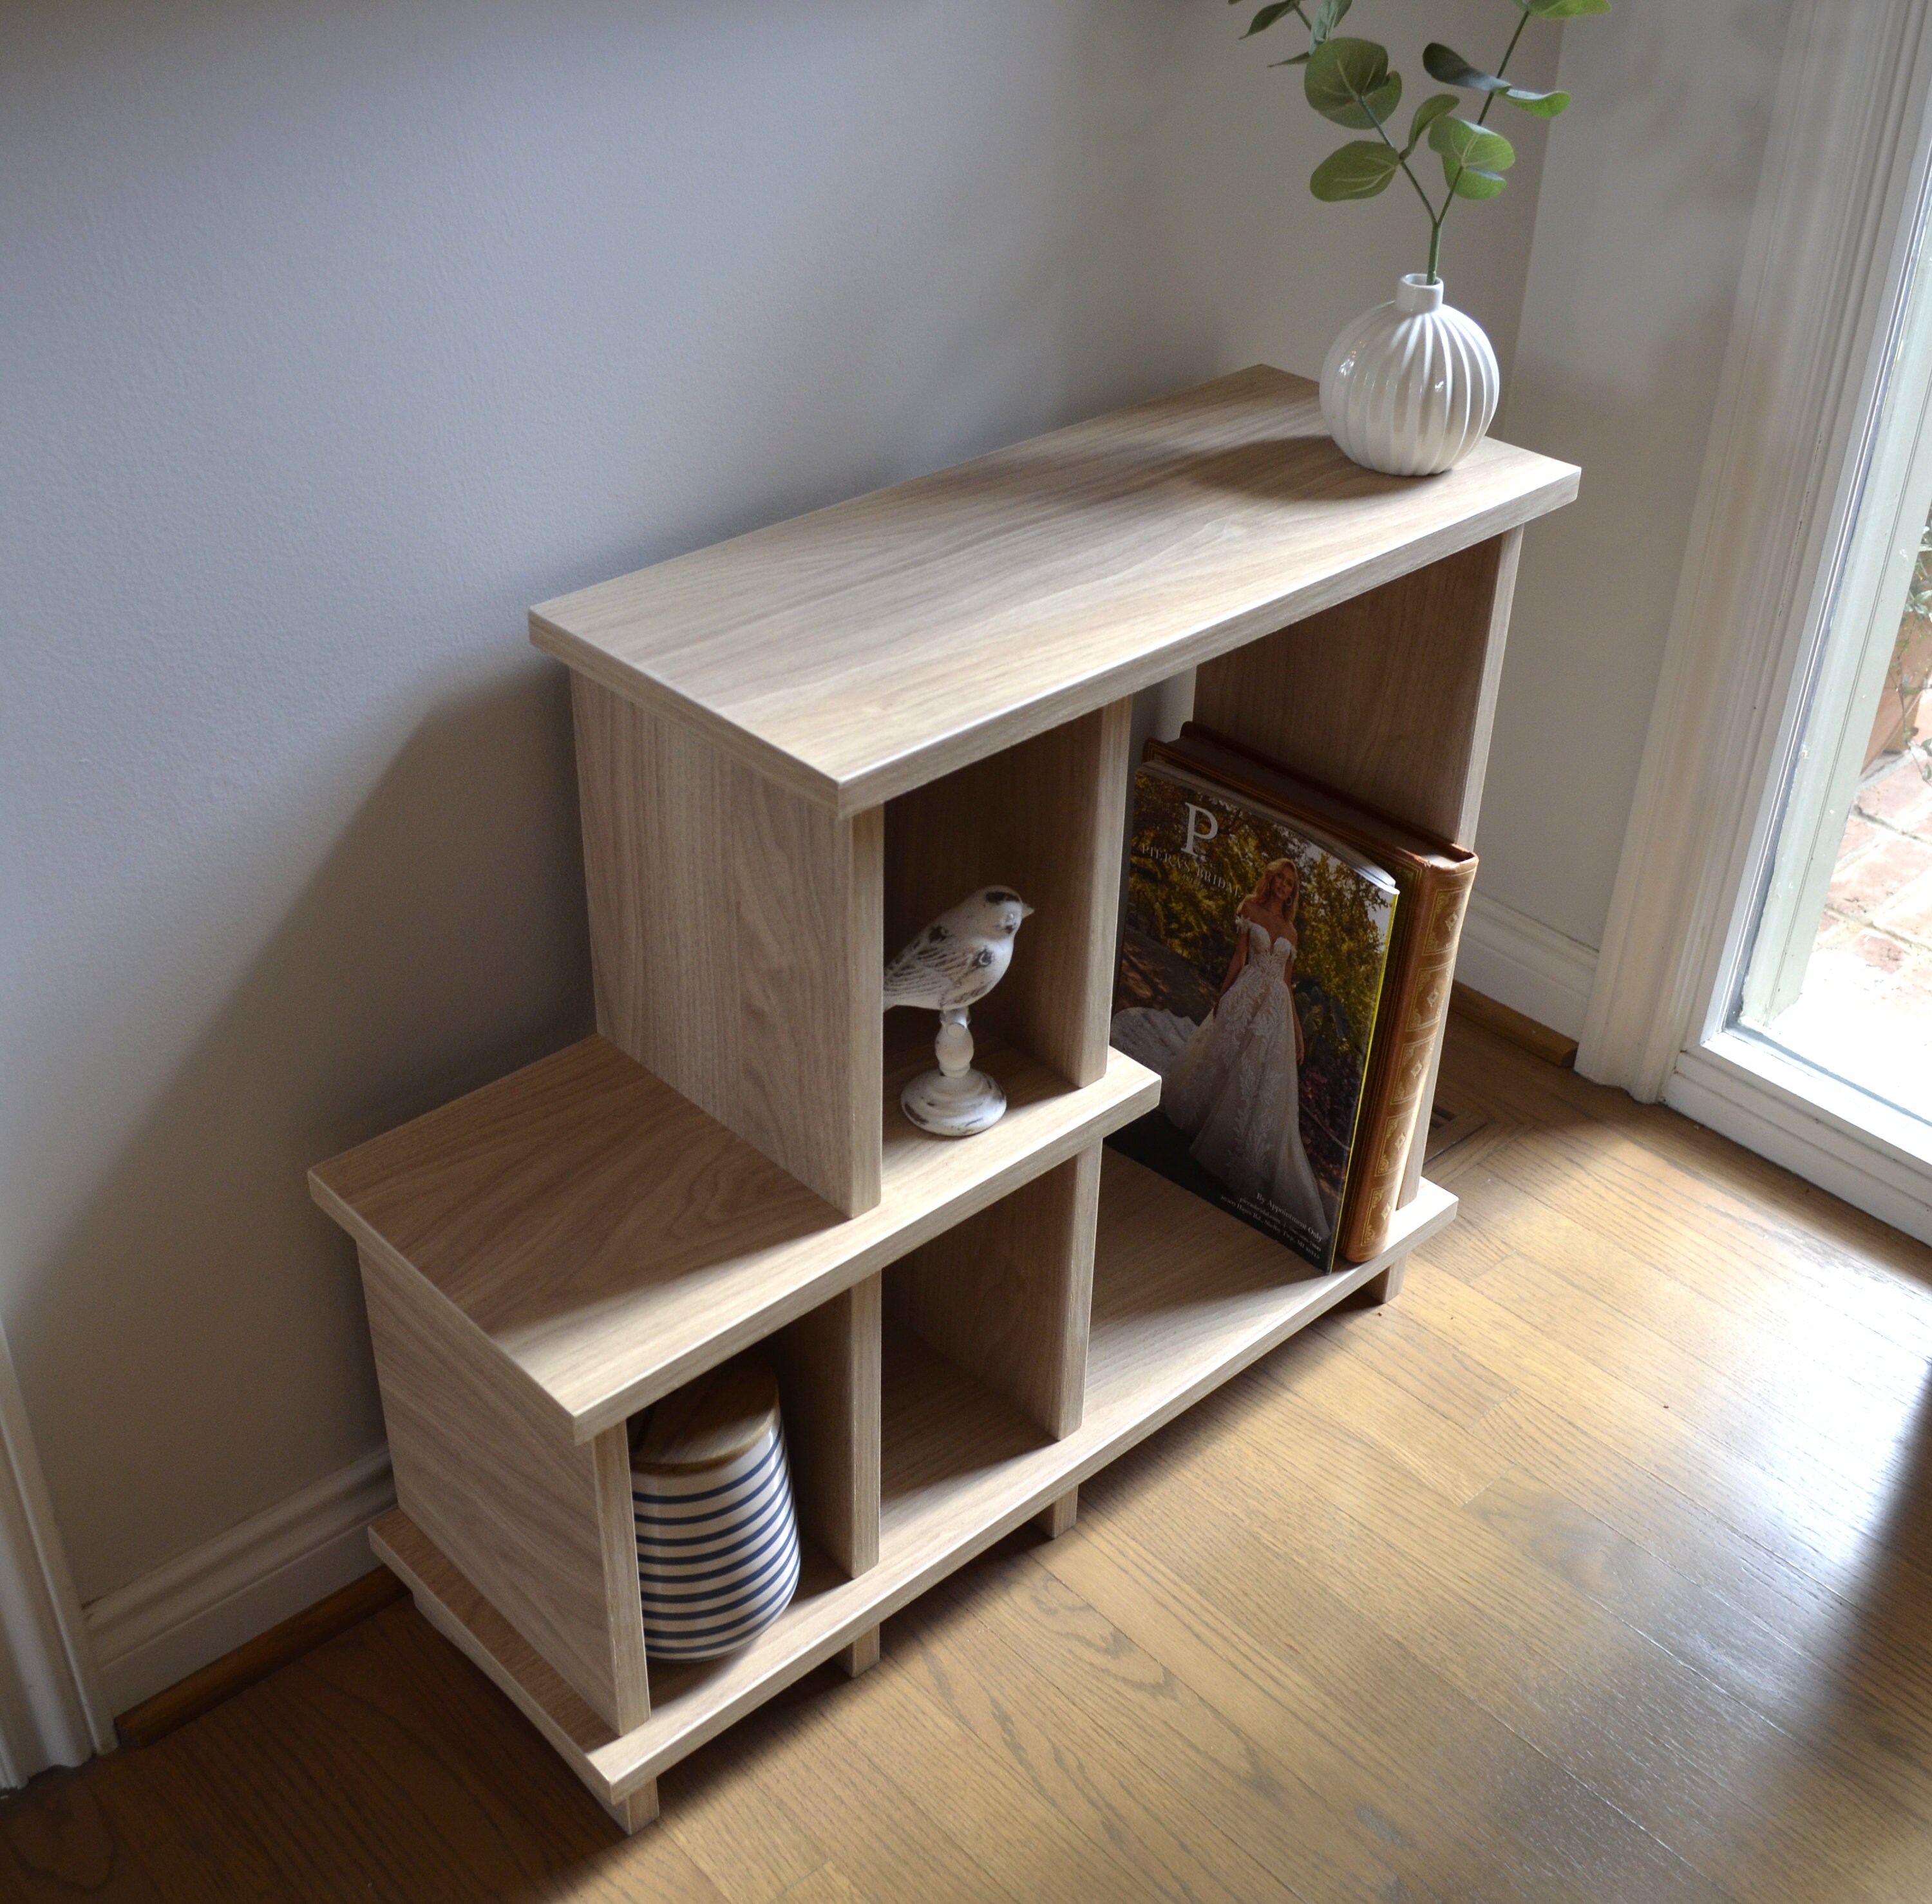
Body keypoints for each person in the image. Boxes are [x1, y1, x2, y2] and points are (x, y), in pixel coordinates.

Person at [1113, 859, 1329, 1238]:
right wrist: (1224, 994)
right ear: (1271, 879)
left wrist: (1297, 1032)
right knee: (1226, 1059)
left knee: (1258, 1075)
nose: (1282, 885)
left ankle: (1235, 1141)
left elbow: (1287, 984)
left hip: (1274, 1010)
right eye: (1279, 877)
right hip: (1247, 995)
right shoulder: (1251, 909)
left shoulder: (1292, 933)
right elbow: (1239, 957)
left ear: (1293, 890)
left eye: (1289, 882)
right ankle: (1204, 1117)